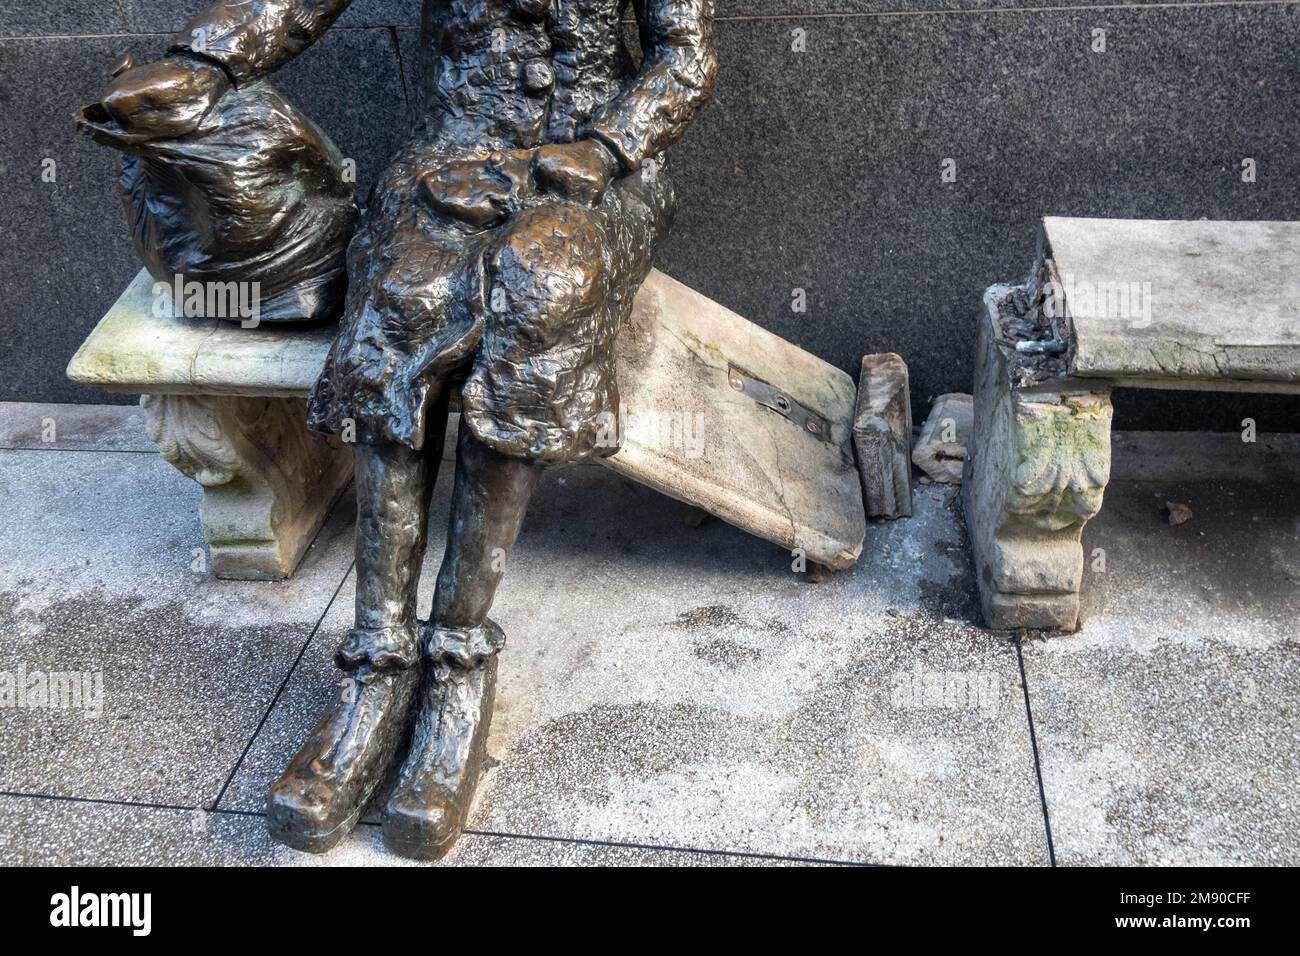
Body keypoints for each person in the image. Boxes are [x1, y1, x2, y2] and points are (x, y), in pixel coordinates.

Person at [96, 0, 717, 859]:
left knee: (542, 291)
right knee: (401, 297)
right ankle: (378, 661)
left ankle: (459, 657)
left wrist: (607, 148)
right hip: (451, 151)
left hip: (603, 167)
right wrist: (206, 61)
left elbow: (683, 56)